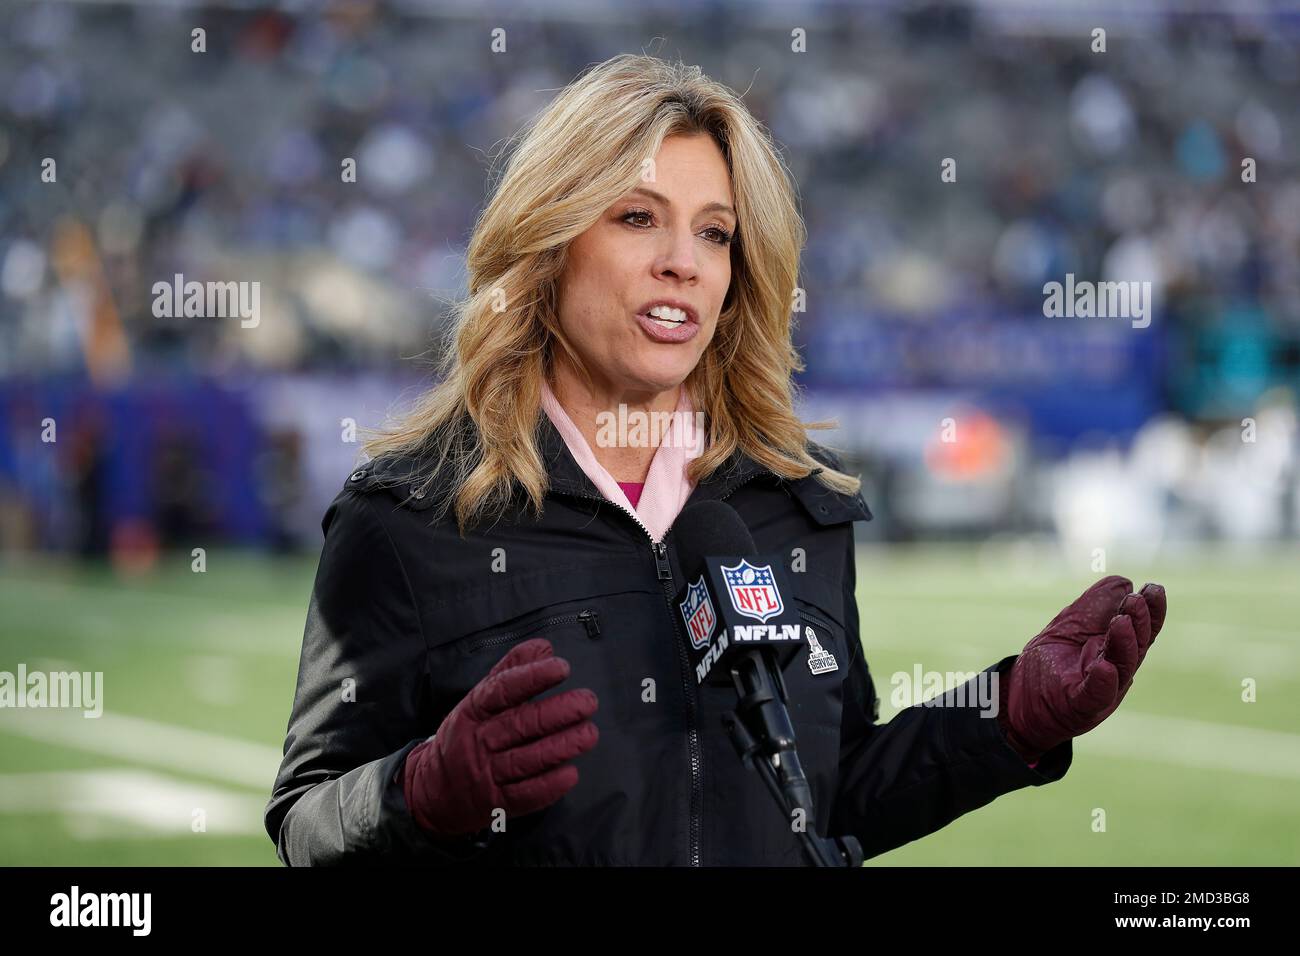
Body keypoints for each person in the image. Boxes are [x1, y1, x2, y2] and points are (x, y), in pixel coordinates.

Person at [264, 54, 1168, 866]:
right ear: (548, 246)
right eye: (635, 217)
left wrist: (1006, 717)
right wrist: (417, 793)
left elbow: (825, 796)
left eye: (714, 233)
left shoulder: (793, 502)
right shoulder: (411, 516)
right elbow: (305, 826)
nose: (681, 263)